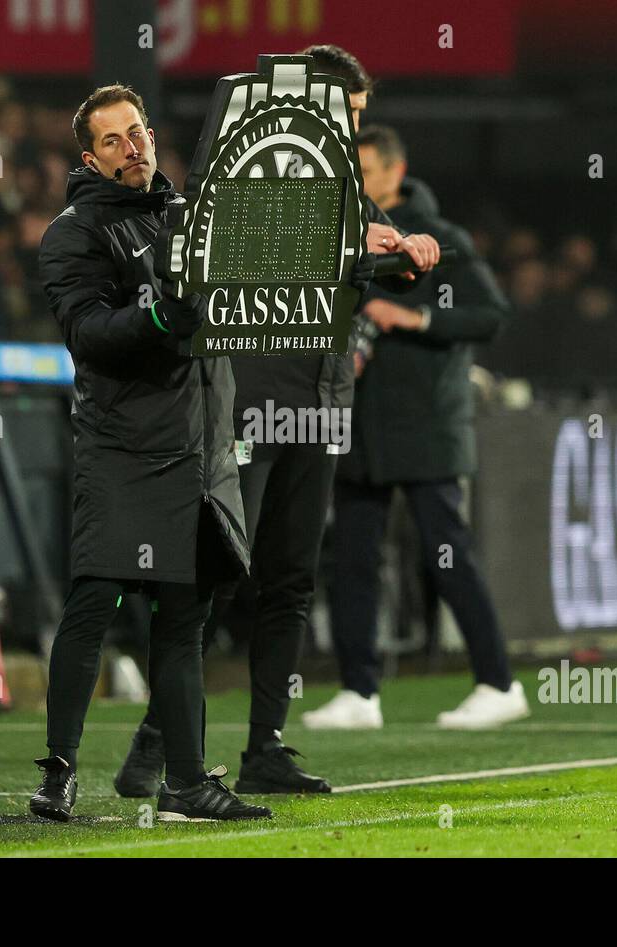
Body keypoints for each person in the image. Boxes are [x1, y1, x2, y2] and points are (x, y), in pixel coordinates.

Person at [111, 44, 440, 797]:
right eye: (345, 112)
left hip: (321, 401)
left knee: (291, 576)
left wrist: (410, 251)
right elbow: (231, 245)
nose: (351, 129)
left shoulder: (346, 185)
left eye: (358, 116)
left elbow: (379, 257)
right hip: (254, 397)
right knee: (224, 570)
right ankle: (158, 739)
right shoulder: (257, 165)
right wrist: (354, 242)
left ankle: (265, 746)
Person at [31, 83, 270, 822]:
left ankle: (185, 782)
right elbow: (89, 334)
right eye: (113, 139)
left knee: (184, 618)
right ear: (90, 159)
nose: (133, 147)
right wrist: (162, 315)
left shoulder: (186, 215)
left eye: (138, 132)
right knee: (94, 601)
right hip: (124, 449)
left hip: (199, 450)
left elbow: (267, 272)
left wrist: (359, 260)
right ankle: (59, 771)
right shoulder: (74, 233)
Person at [303, 124, 528, 730]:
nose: (356, 183)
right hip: (361, 424)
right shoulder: (340, 239)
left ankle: (498, 681)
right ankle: (359, 691)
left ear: (396, 173)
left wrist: (416, 317)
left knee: (447, 554)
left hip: (426, 424)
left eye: (366, 172)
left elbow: (491, 315)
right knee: (352, 560)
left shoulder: (441, 239)